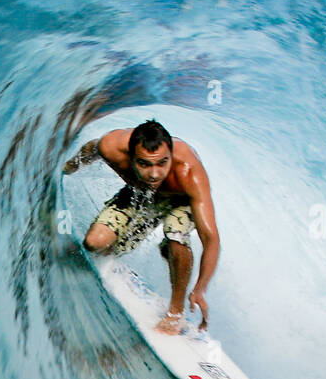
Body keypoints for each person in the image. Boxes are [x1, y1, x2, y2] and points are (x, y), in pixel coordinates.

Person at [64, 120, 220, 334]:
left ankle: (175, 312)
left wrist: (200, 288)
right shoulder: (111, 147)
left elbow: (211, 238)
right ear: (130, 156)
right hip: (143, 195)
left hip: (180, 201)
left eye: (162, 163)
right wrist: (66, 168)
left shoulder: (188, 173)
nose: (155, 174)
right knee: (94, 243)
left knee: (175, 236)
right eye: (144, 164)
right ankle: (114, 254)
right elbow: (91, 150)